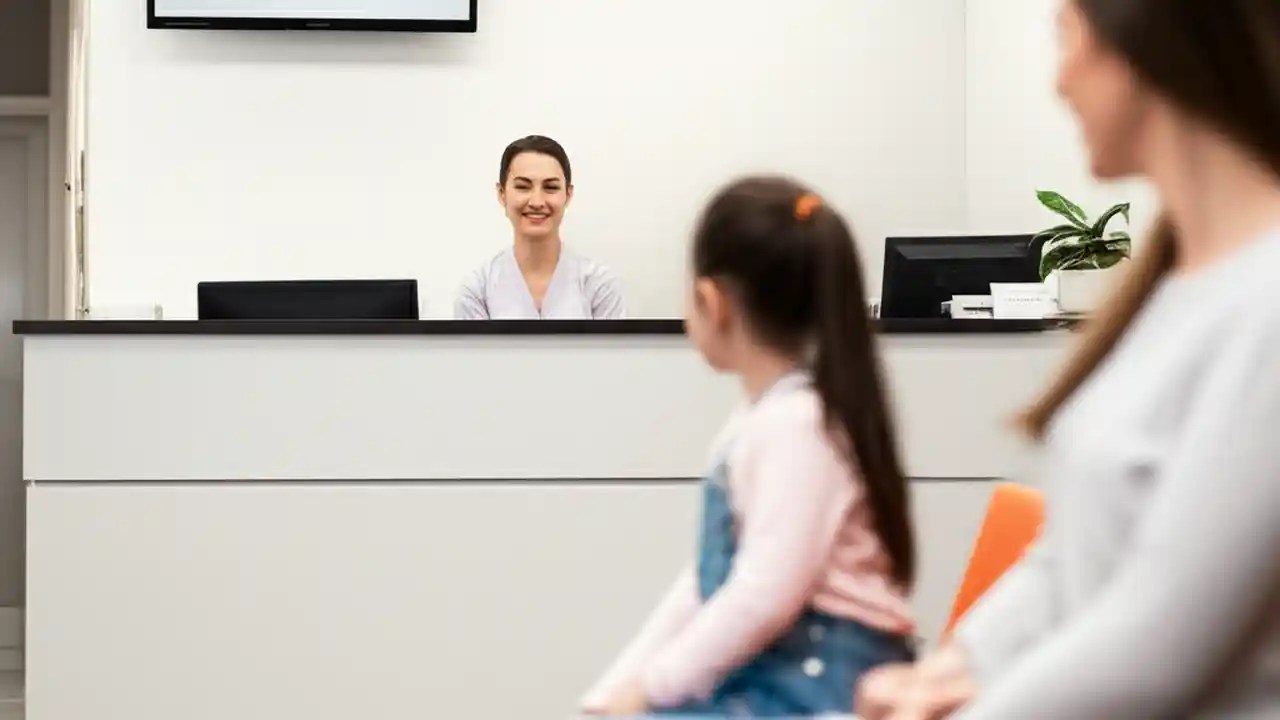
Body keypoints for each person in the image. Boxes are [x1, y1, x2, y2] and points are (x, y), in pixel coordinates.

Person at [857, 1, 1280, 718]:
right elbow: (1068, 559)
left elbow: (1156, 643)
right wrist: (951, 668)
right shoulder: (1169, 294)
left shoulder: (1264, 304)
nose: (1058, 83)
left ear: (1142, 46)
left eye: (1067, 40)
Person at [582, 177, 917, 717]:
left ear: (711, 302)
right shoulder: (767, 418)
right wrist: (615, 693)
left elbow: (763, 595)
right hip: (780, 662)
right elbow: (705, 586)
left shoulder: (798, 427)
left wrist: (652, 689)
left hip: (825, 681)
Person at [454, 135, 626, 320]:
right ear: (502, 193)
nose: (537, 202)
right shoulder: (477, 290)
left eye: (550, 187)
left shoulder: (600, 287)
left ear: (568, 195)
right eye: (523, 187)